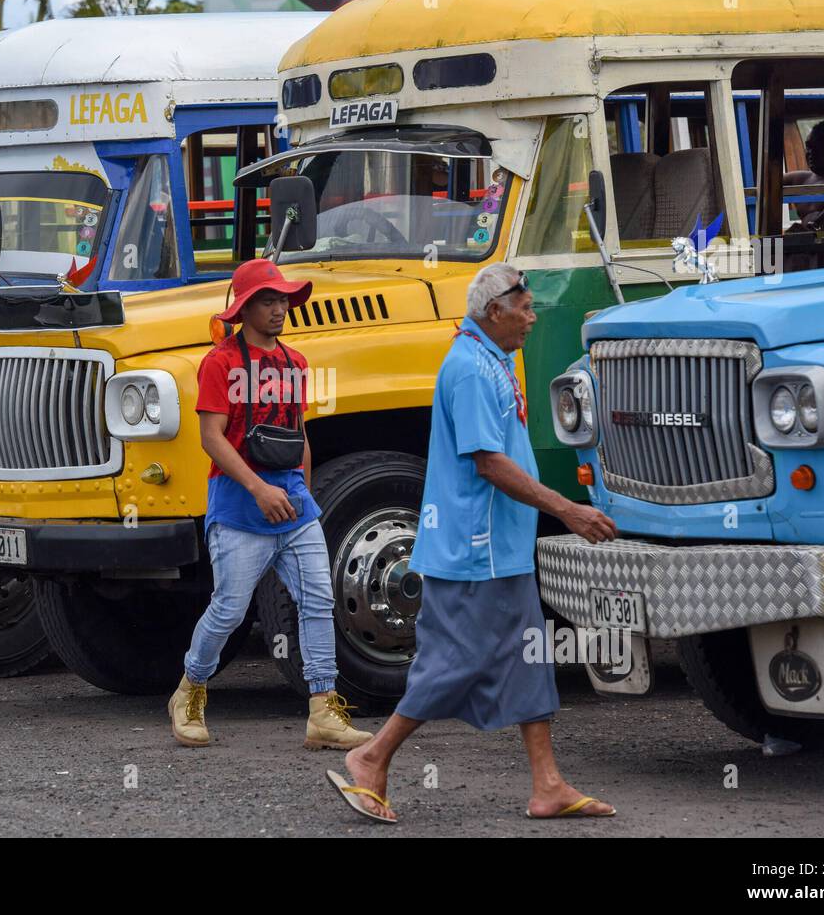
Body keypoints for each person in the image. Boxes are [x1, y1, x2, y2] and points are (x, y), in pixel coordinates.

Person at [325, 262, 619, 823]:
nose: (533, 318)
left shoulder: (491, 360)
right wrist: (568, 510)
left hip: (498, 549)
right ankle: (371, 756)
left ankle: (548, 785)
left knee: (529, 657)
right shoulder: (470, 370)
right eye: (525, 309)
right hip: (472, 552)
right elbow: (488, 462)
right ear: (494, 311)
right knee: (452, 664)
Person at [169, 258, 373, 751]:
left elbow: (297, 435)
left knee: (319, 602)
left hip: (293, 507)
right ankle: (190, 690)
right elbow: (211, 439)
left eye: (283, 299)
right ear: (244, 309)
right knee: (230, 608)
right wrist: (259, 489)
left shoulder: (296, 363)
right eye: (269, 300)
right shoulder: (219, 363)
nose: (280, 308)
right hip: (239, 506)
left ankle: (323, 709)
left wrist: (301, 494)